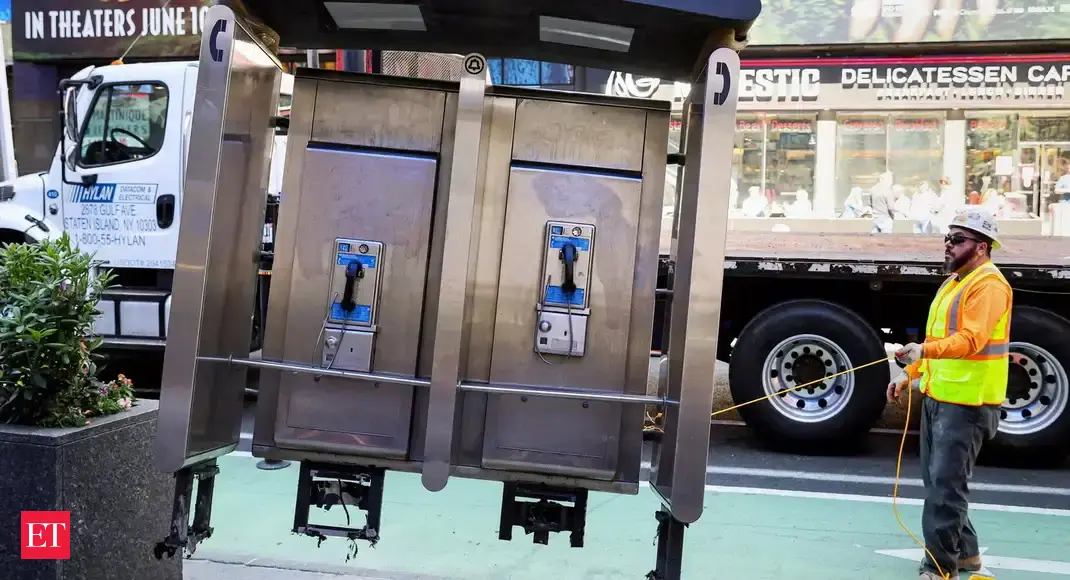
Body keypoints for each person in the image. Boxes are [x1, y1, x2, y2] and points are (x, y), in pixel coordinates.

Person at [887, 206, 1011, 580]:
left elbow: (971, 340)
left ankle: (940, 569)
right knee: (942, 487)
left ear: (981, 247)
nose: (948, 244)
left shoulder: (988, 286)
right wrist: (911, 372)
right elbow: (936, 339)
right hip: (940, 397)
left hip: (968, 404)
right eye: (947, 237)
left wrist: (924, 353)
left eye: (958, 239)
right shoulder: (954, 282)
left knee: (944, 491)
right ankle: (968, 556)